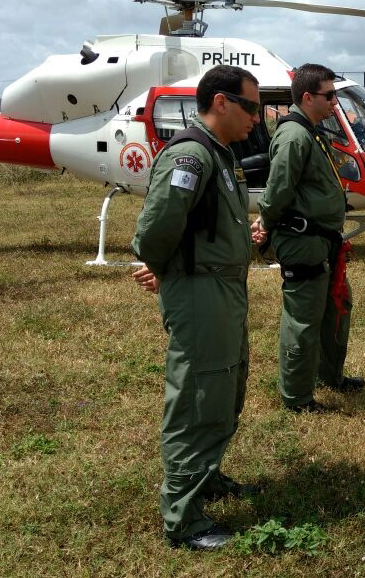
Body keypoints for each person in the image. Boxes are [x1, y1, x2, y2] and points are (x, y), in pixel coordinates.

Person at [130, 64, 261, 551]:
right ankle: (182, 518)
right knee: (197, 397)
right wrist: (162, 266)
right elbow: (159, 224)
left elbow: (201, 226)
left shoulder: (222, 155)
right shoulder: (191, 155)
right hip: (202, 293)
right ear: (221, 103)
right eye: (250, 107)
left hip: (222, 291)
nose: (257, 117)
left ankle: (206, 477)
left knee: (226, 385)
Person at [252, 63, 365, 412]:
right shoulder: (294, 136)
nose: (335, 102)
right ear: (307, 97)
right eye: (329, 95)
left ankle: (330, 375)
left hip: (325, 239)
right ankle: (297, 396)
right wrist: (266, 222)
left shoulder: (312, 131)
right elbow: (279, 188)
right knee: (302, 319)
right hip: (304, 240)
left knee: (335, 310)